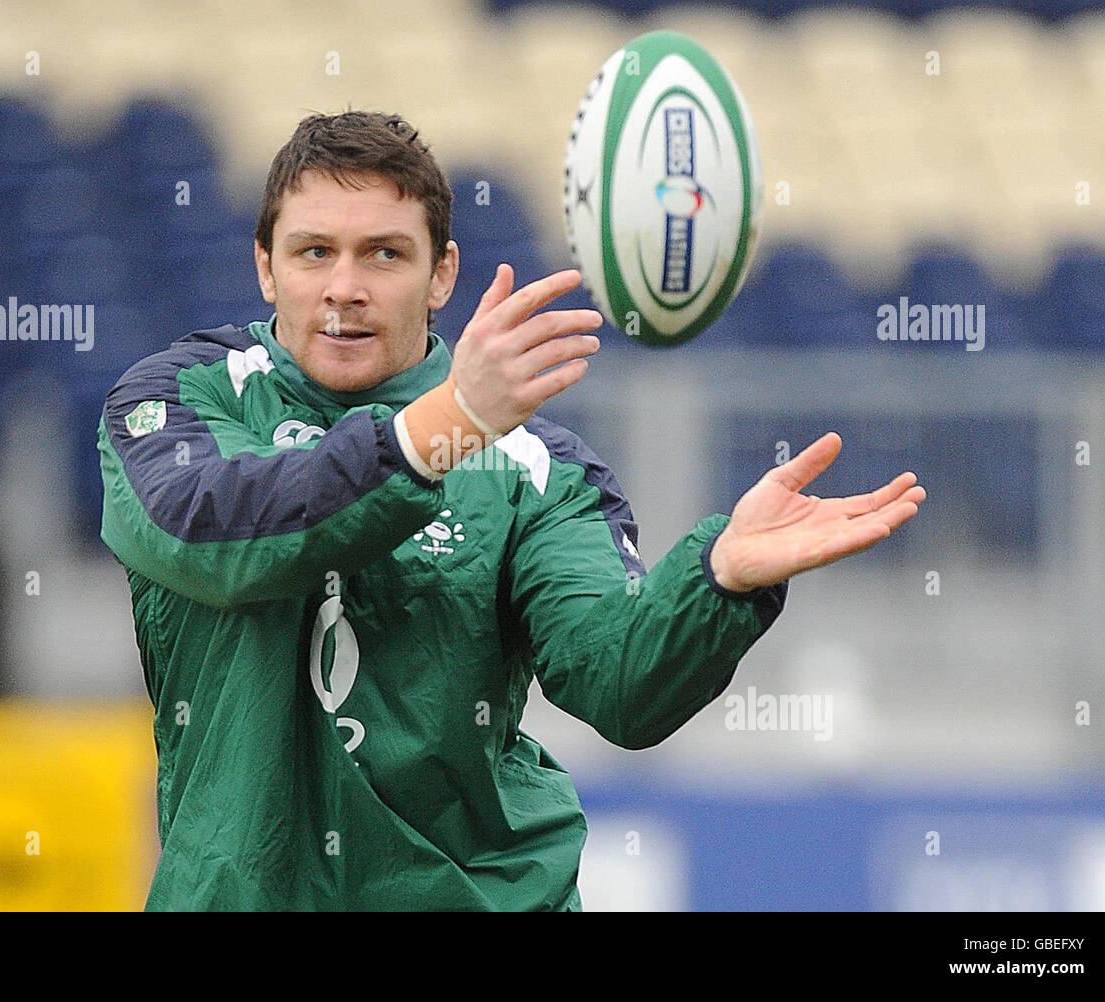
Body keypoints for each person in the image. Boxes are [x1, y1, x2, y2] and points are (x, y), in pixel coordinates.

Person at [97, 110, 925, 911]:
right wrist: (437, 433)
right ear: (267, 268)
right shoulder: (178, 397)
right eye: (315, 252)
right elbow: (208, 536)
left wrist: (716, 583)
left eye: (384, 254)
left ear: (442, 275)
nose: (344, 288)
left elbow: (621, 687)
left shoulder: (536, 466)